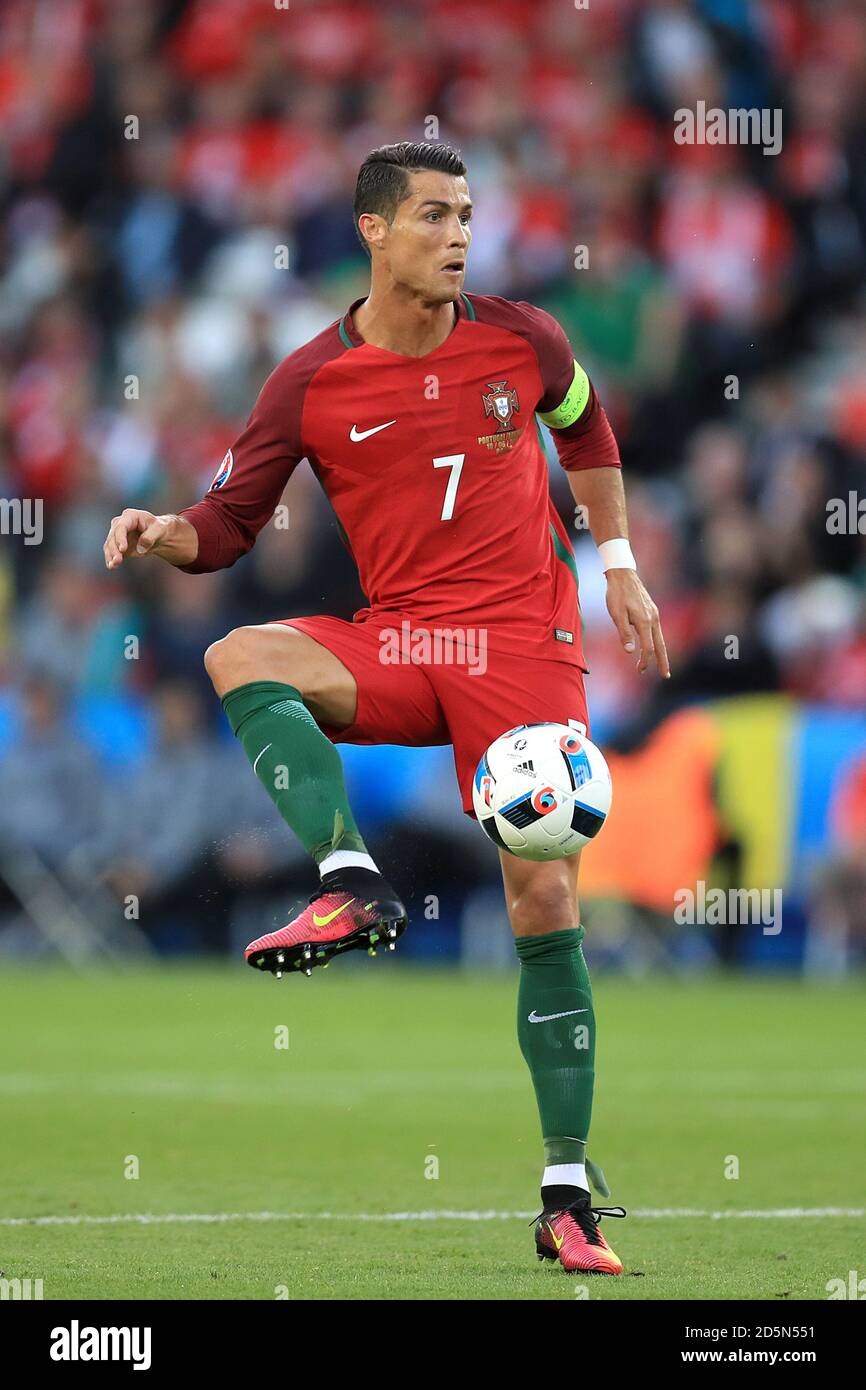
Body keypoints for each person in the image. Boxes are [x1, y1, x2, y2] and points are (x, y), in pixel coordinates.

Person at [103, 141, 670, 1276]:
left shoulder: (523, 337)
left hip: (524, 644)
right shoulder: (309, 379)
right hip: (407, 637)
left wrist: (616, 560)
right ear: (371, 231)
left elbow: (587, 429)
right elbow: (229, 523)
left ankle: (566, 1191)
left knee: (543, 890)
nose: (457, 235)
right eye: (430, 216)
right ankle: (350, 884)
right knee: (240, 653)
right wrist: (167, 532)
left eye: (465, 214)